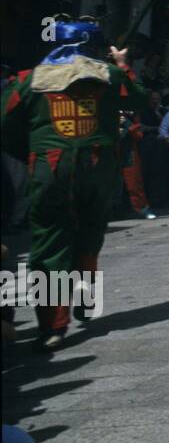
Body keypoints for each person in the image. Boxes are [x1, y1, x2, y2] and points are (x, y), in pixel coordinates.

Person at [1, 18, 149, 349]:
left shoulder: (27, 80)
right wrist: (124, 66)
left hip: (48, 170)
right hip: (97, 170)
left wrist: (32, 152)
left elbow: (5, 123)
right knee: (89, 237)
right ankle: (84, 303)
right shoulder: (109, 76)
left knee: (49, 246)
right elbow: (139, 100)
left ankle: (53, 326)